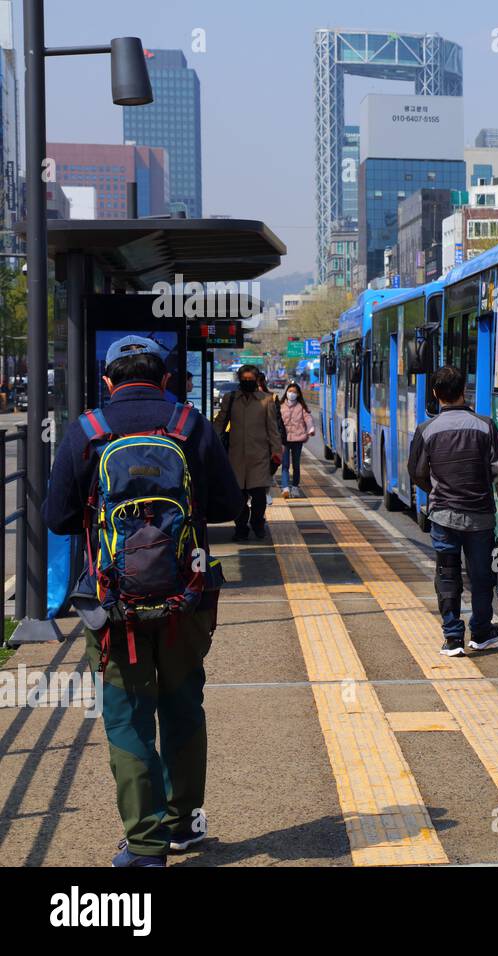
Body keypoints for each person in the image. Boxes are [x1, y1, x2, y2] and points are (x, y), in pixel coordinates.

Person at [44, 335, 243, 867]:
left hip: (112, 607)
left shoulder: (87, 432)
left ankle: (146, 845)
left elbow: (57, 518)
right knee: (183, 706)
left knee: (128, 718)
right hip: (187, 598)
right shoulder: (190, 425)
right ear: (165, 378)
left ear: (108, 382)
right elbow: (227, 504)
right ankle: (184, 823)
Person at [408, 366, 498, 658]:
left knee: (447, 574)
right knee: (482, 576)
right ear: (464, 391)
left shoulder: (425, 430)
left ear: (435, 394)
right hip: (480, 516)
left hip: (443, 515)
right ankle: (481, 631)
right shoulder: (485, 426)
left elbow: (416, 472)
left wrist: (437, 492)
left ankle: (452, 637)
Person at [213, 364, 281, 540]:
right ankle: (241, 528)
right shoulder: (231, 398)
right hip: (235, 457)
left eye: (251, 380)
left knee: (259, 497)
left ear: (257, 380)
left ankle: (258, 524)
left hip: (259, 457)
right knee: (238, 497)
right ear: (239, 380)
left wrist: (276, 453)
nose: (247, 383)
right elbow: (220, 422)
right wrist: (212, 443)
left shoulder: (267, 400)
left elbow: (273, 430)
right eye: (244, 380)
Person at [279, 381, 315, 497]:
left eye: (294, 392)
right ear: (286, 392)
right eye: (290, 391)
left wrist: (311, 429)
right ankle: (285, 488)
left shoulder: (301, 407)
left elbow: (308, 419)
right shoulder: (280, 406)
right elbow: (275, 421)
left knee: (296, 465)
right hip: (284, 440)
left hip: (298, 439)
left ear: (298, 394)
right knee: (284, 465)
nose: (292, 394)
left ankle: (294, 487)